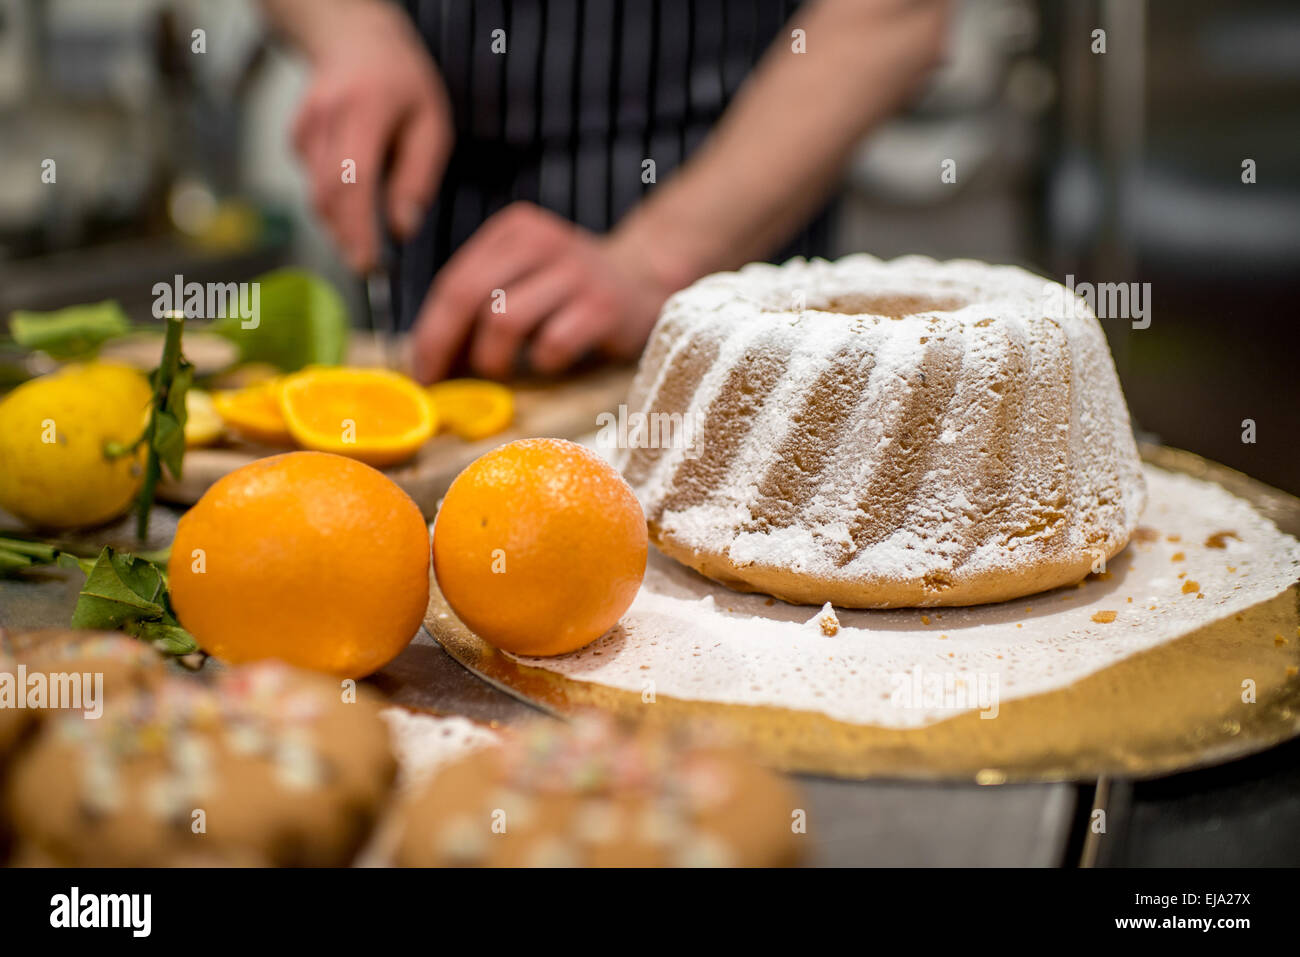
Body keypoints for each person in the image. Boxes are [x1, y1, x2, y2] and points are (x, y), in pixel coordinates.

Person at [262, 0, 950, 383]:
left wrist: (656, 262)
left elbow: (891, 13)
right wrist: (353, 25)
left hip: (722, 218)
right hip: (438, 203)